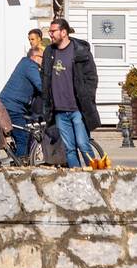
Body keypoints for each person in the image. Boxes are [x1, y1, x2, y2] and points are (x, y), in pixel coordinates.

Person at [41, 18, 101, 167]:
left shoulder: (80, 51)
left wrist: (87, 97)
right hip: (59, 110)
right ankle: (77, 179)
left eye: (53, 31)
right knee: (69, 149)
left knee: (83, 144)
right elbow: (44, 77)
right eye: (50, 31)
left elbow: (91, 78)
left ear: (64, 32)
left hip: (77, 109)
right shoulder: (49, 52)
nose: (50, 34)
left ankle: (98, 175)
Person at [0, 43, 43, 160]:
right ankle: (19, 168)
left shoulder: (24, 64)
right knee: (23, 137)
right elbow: (40, 85)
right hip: (13, 107)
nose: (44, 61)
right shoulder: (30, 66)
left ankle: (18, 158)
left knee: (23, 133)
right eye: (43, 58)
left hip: (9, 105)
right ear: (35, 57)